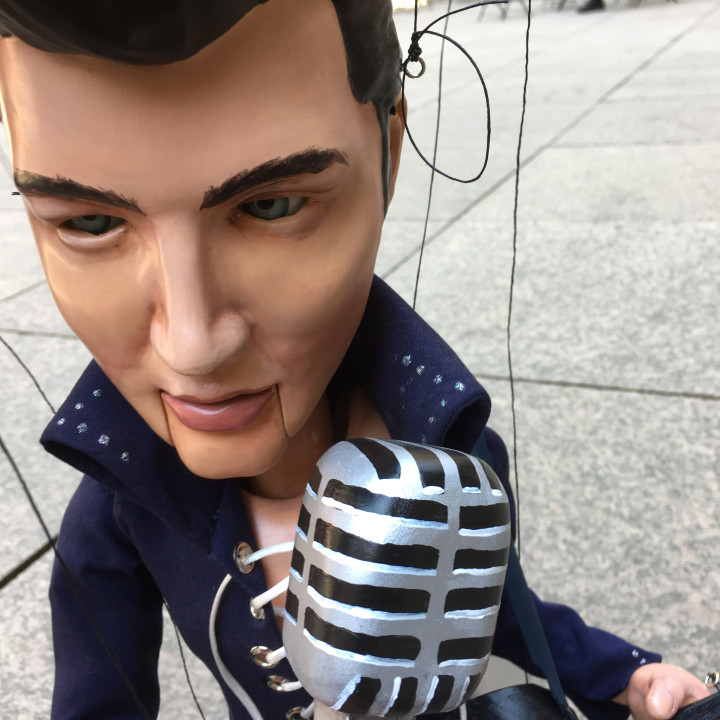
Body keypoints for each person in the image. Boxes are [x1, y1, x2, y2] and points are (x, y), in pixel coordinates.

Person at [0, 0, 709, 718]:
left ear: (389, 152)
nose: (193, 347)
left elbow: (492, 614)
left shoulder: (451, 457)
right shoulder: (121, 511)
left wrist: (624, 673)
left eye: (274, 205)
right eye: (89, 221)